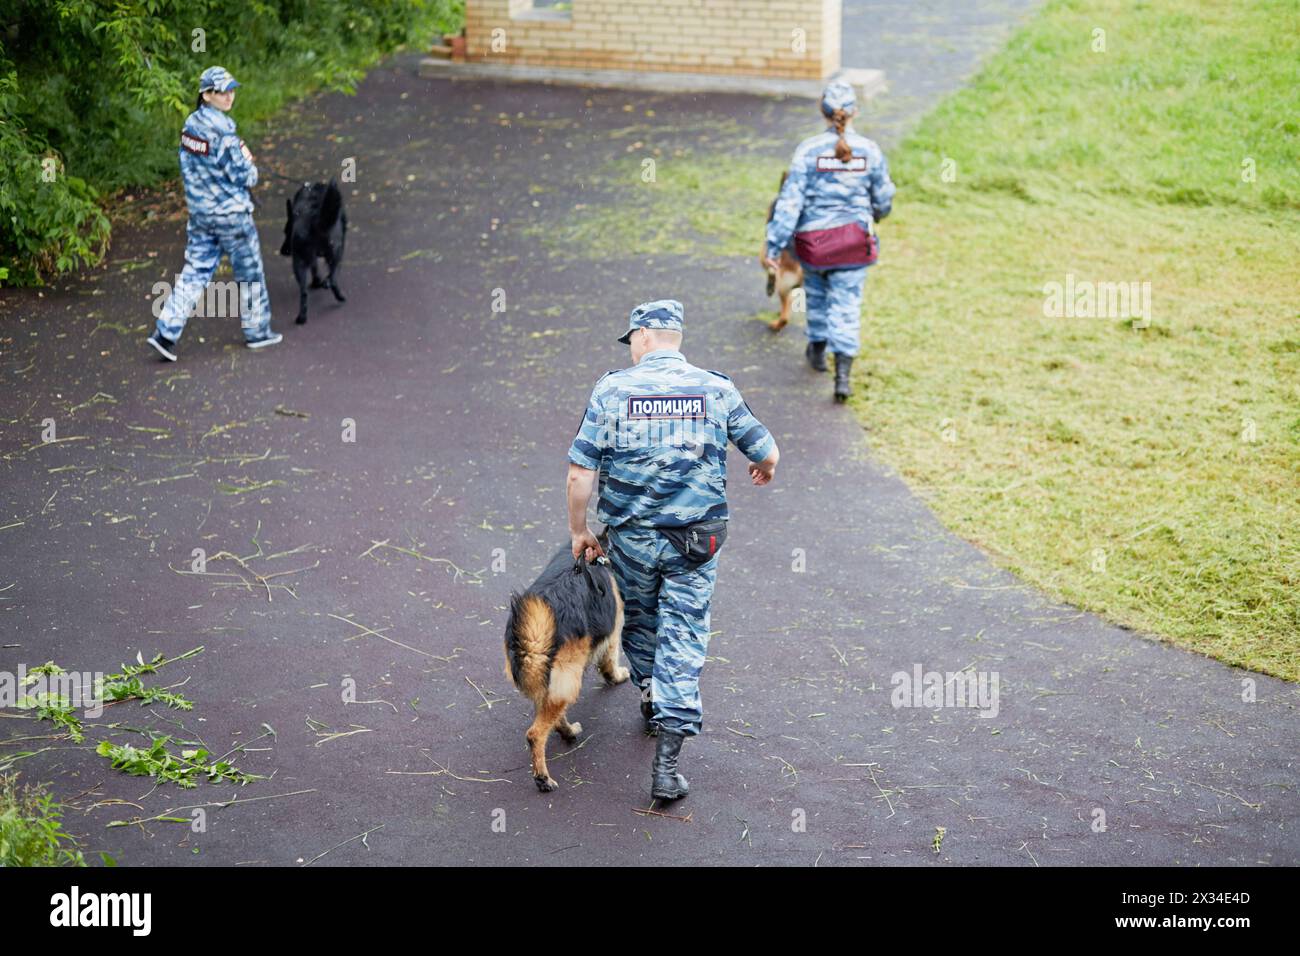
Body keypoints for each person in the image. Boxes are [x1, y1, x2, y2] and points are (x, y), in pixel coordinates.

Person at [566, 299, 780, 801]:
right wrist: (765, 469)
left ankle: (649, 692)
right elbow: (766, 450)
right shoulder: (716, 388)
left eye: (632, 339)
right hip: (695, 540)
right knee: (684, 630)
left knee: (639, 619)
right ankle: (667, 765)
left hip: (632, 538)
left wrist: (580, 530)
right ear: (675, 338)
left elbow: (580, 472)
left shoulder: (612, 389)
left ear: (642, 336)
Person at [763, 78, 895, 402]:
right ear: (855, 112)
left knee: (817, 297)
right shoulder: (870, 150)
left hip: (814, 246)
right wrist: (875, 214)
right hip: (854, 244)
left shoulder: (808, 150)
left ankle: (817, 351)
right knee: (847, 306)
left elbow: (789, 202)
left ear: (822, 111)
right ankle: (843, 377)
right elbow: (884, 197)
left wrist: (775, 245)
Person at [147, 66, 281, 361]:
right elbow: (244, 175)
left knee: (194, 271)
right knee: (249, 272)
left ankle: (165, 333)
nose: (229, 96)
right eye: (222, 92)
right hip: (232, 215)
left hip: (201, 214)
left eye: (232, 90)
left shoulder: (190, 126)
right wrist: (251, 165)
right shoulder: (224, 130)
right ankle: (258, 332)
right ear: (206, 94)